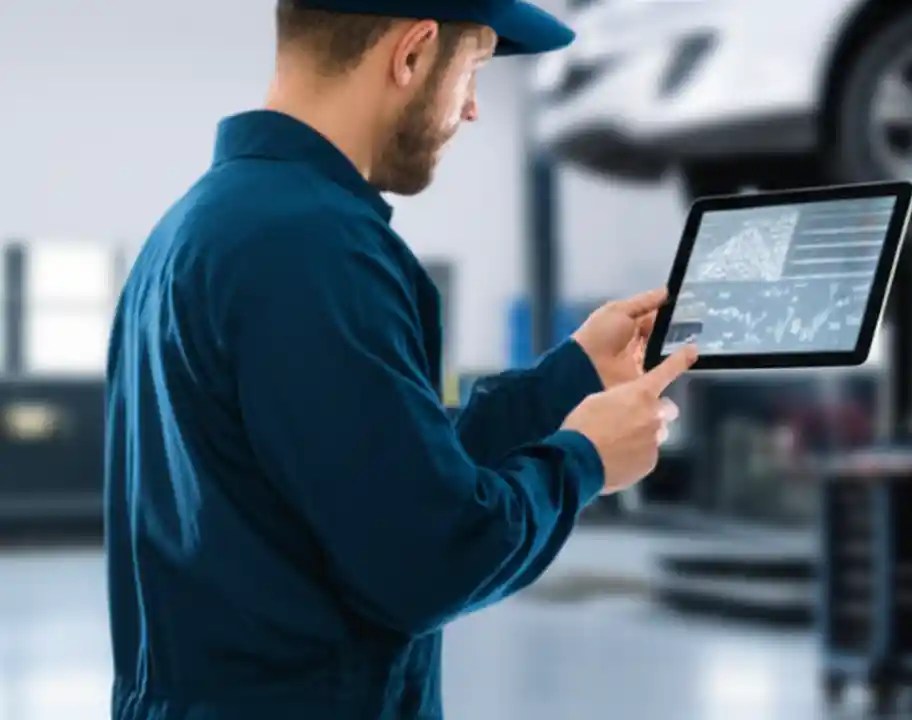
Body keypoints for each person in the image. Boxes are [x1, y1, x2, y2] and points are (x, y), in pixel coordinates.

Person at [103, 1, 698, 718]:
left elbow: (377, 474)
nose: (474, 108)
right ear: (412, 53)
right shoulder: (315, 246)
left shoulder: (202, 226)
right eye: (473, 67)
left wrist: (572, 377)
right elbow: (429, 558)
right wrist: (586, 461)